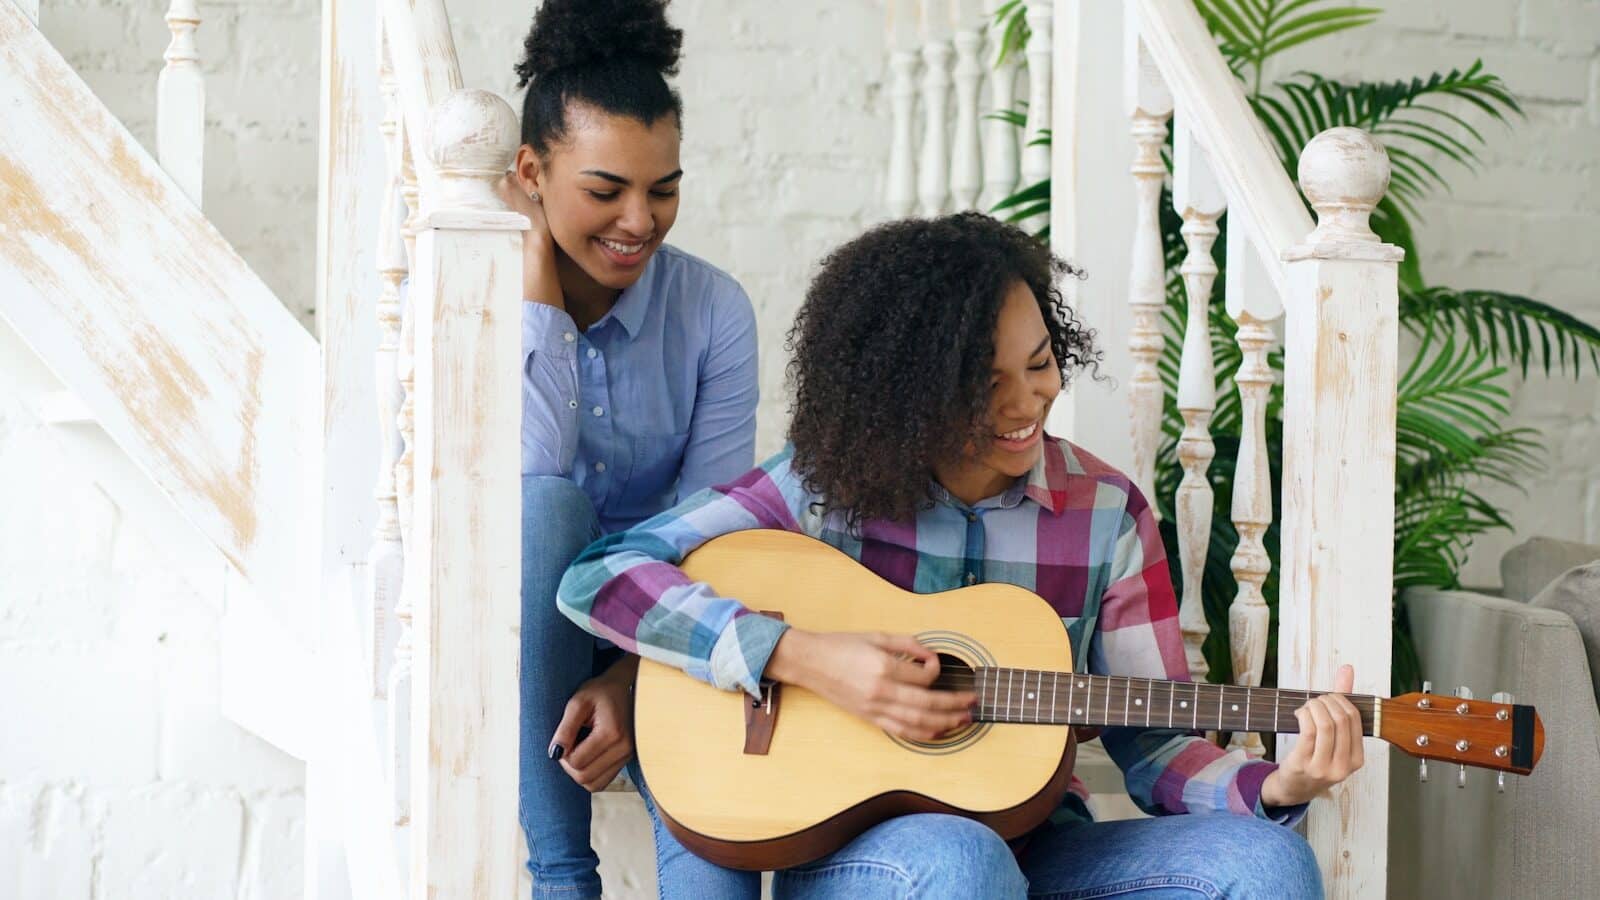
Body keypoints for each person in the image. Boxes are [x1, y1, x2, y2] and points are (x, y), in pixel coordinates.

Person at [558, 213, 1364, 898]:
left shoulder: (1106, 513)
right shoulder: (821, 490)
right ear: (907, 390)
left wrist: (1279, 785)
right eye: (983, 383)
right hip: (858, 851)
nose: (1025, 405)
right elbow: (603, 576)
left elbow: (1156, 743)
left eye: (1041, 364)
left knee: (1267, 866)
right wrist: (805, 658)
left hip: (1043, 843)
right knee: (960, 860)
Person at [501, 2, 760, 897]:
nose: (641, 221)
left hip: (663, 630)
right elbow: (528, 478)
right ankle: (562, 879)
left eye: (664, 189)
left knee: (718, 852)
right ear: (530, 171)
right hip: (512, 625)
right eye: (605, 191)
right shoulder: (470, 293)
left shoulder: (714, 313)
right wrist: (537, 279)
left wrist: (630, 679)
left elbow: (714, 534)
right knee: (547, 508)